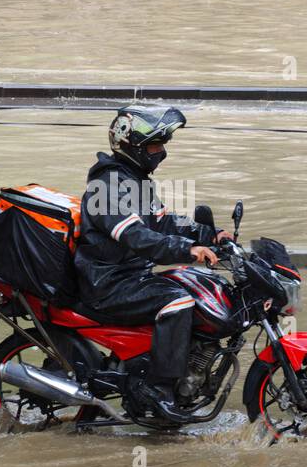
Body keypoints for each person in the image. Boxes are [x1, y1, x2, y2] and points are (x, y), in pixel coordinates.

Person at [75, 106, 231, 423]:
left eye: (162, 145)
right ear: (132, 145)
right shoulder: (106, 187)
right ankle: (159, 393)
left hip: (131, 276)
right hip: (108, 284)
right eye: (154, 146)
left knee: (194, 287)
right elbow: (138, 238)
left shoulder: (134, 180)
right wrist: (189, 251)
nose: (161, 153)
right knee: (179, 300)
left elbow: (163, 224)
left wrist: (209, 235)